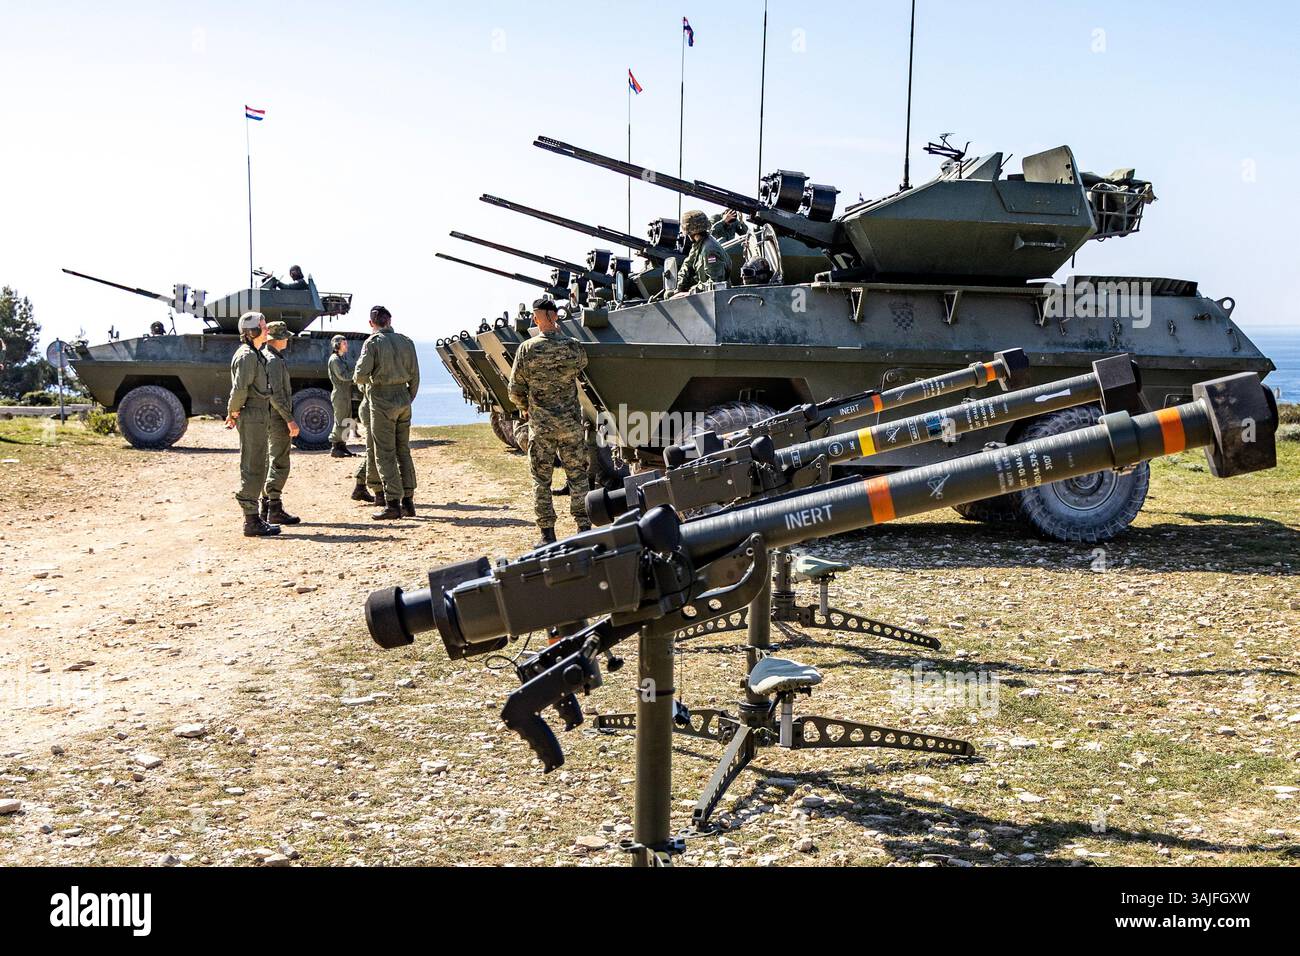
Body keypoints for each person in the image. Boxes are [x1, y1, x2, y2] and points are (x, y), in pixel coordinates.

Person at [507, 297, 591, 546]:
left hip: (541, 427)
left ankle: (547, 535)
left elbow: (514, 390)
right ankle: (584, 528)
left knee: (541, 481)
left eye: (537, 315)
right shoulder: (573, 347)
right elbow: (583, 368)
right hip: (570, 425)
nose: (534, 319)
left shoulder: (527, 348)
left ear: (548, 316)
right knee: (578, 476)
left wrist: (526, 408)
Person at [353, 305, 419, 520]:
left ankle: (393, 504)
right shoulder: (406, 341)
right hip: (403, 398)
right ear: (389, 321)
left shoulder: (373, 343)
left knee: (384, 452)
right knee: (403, 450)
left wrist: (370, 384)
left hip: (381, 399)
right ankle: (408, 501)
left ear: (371, 324)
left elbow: (360, 375)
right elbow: (415, 376)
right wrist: (408, 397)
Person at [225, 312, 279, 537]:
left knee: (260, 464)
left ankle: (254, 517)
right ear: (251, 331)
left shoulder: (256, 355)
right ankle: (251, 520)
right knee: (253, 466)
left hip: (260, 413)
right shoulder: (247, 356)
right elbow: (239, 389)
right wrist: (232, 411)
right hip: (252, 414)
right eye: (263, 327)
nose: (267, 330)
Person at [261, 322, 301, 526]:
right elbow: (276, 395)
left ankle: (266, 508)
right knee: (279, 461)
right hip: (277, 417)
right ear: (276, 339)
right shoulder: (274, 361)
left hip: (270, 416)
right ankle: (273, 507)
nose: (287, 339)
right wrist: (289, 419)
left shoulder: (268, 357)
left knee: (270, 460)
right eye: (284, 336)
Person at [672, 209, 731, 298]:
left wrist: (690, 293)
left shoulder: (709, 249)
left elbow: (716, 282)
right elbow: (688, 264)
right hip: (705, 296)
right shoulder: (698, 244)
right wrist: (678, 288)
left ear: (690, 231)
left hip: (716, 299)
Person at [327, 335, 357, 458]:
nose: (346, 346)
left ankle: (342, 446)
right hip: (339, 394)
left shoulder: (340, 359)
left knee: (346, 420)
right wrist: (357, 375)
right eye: (344, 344)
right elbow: (343, 376)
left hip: (344, 393)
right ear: (337, 345)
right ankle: (335, 447)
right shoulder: (335, 360)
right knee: (340, 421)